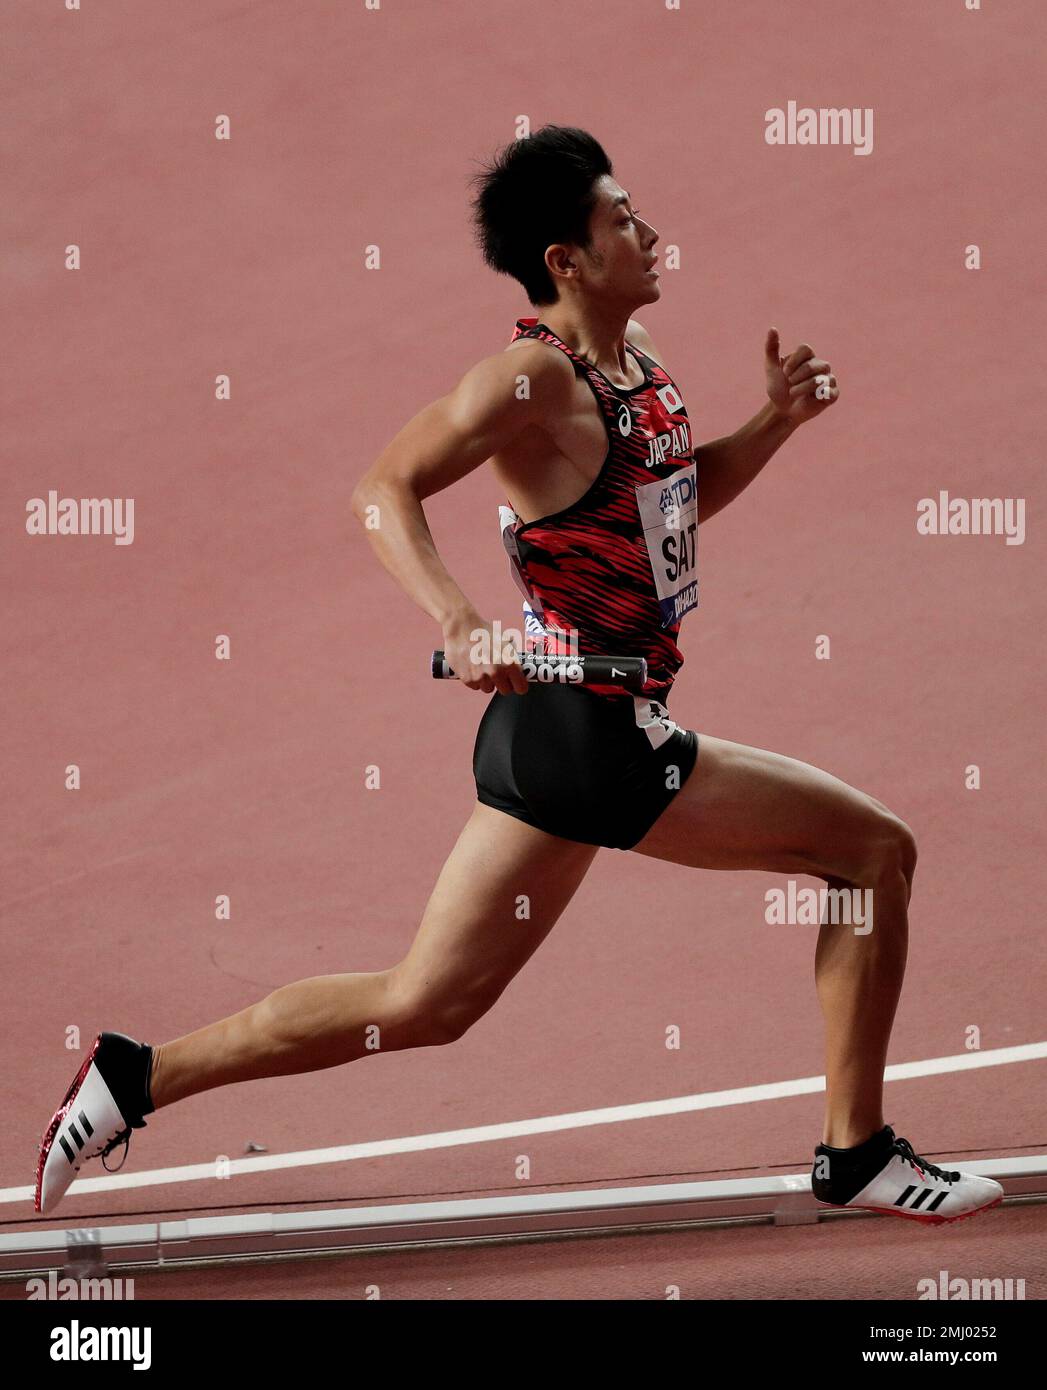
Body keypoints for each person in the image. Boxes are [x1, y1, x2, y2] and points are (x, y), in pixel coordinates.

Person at [35, 126, 1001, 1227]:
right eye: (623, 219)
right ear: (567, 260)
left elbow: (669, 511)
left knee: (421, 1001)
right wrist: (459, 618)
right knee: (872, 851)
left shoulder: (636, 370)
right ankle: (856, 1149)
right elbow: (382, 487)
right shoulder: (532, 379)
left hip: (555, 738)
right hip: (596, 735)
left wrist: (774, 421)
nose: (650, 231)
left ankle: (131, 1075)